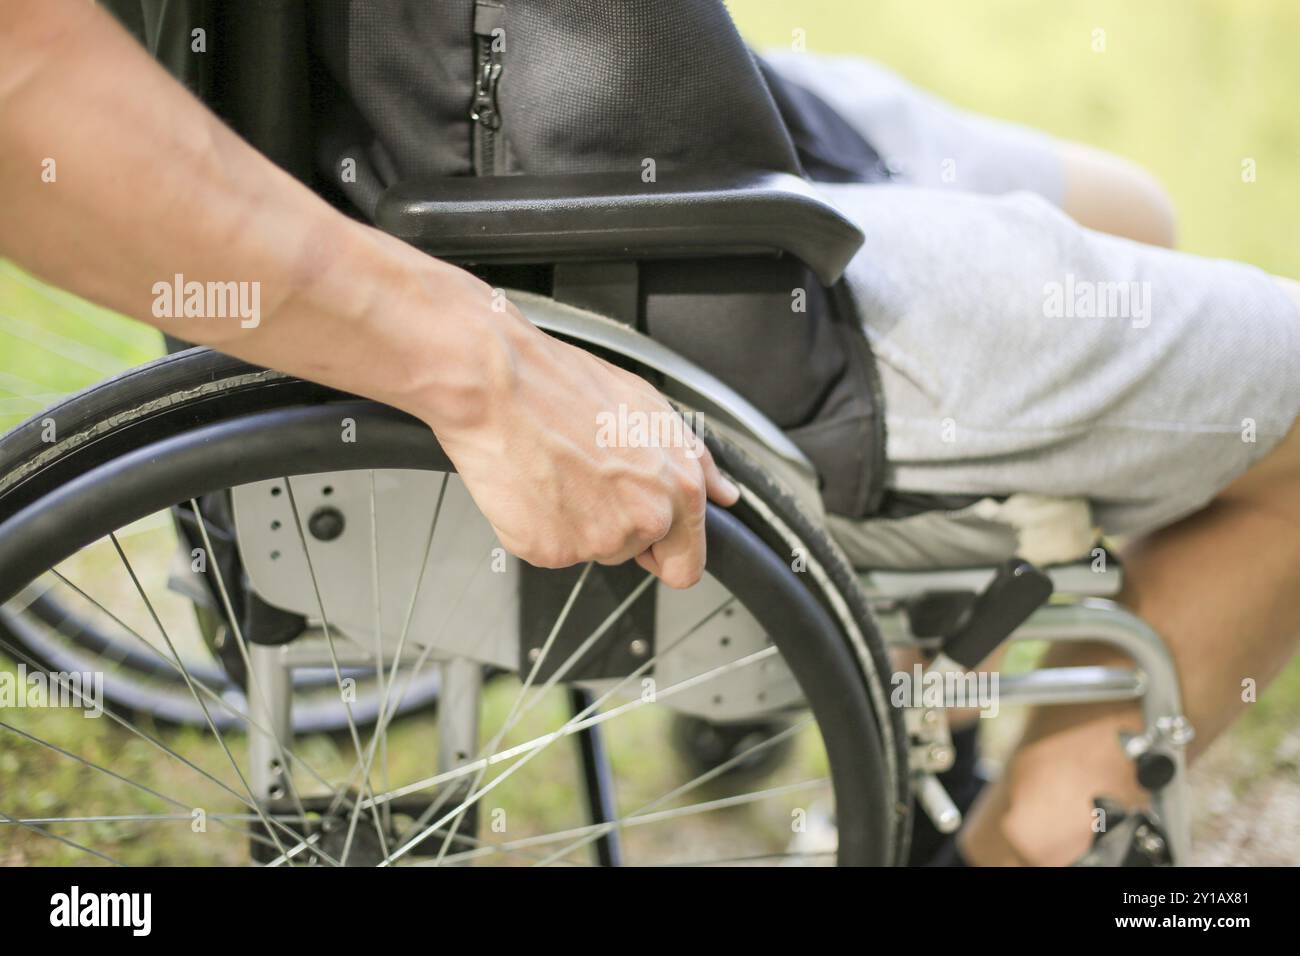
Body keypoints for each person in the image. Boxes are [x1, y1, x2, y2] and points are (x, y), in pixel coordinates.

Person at [1, 0, 1297, 866]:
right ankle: (1033, 843)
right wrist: (481, 373)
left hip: (647, 112)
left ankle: (885, 678)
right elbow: (23, 77)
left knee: (1139, 214)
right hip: (646, 248)